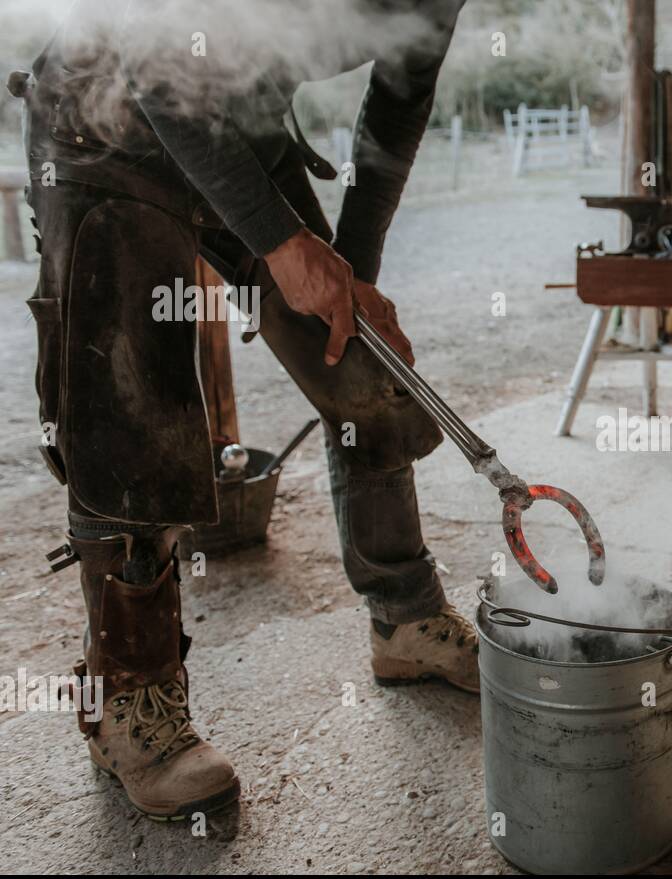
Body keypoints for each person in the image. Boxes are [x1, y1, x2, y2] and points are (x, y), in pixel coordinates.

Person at [12, 0, 474, 821]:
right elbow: (153, 52)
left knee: (358, 367)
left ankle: (405, 619)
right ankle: (131, 701)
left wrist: (351, 273)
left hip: (236, 131)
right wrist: (279, 241)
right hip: (105, 129)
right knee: (130, 415)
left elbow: (398, 105)